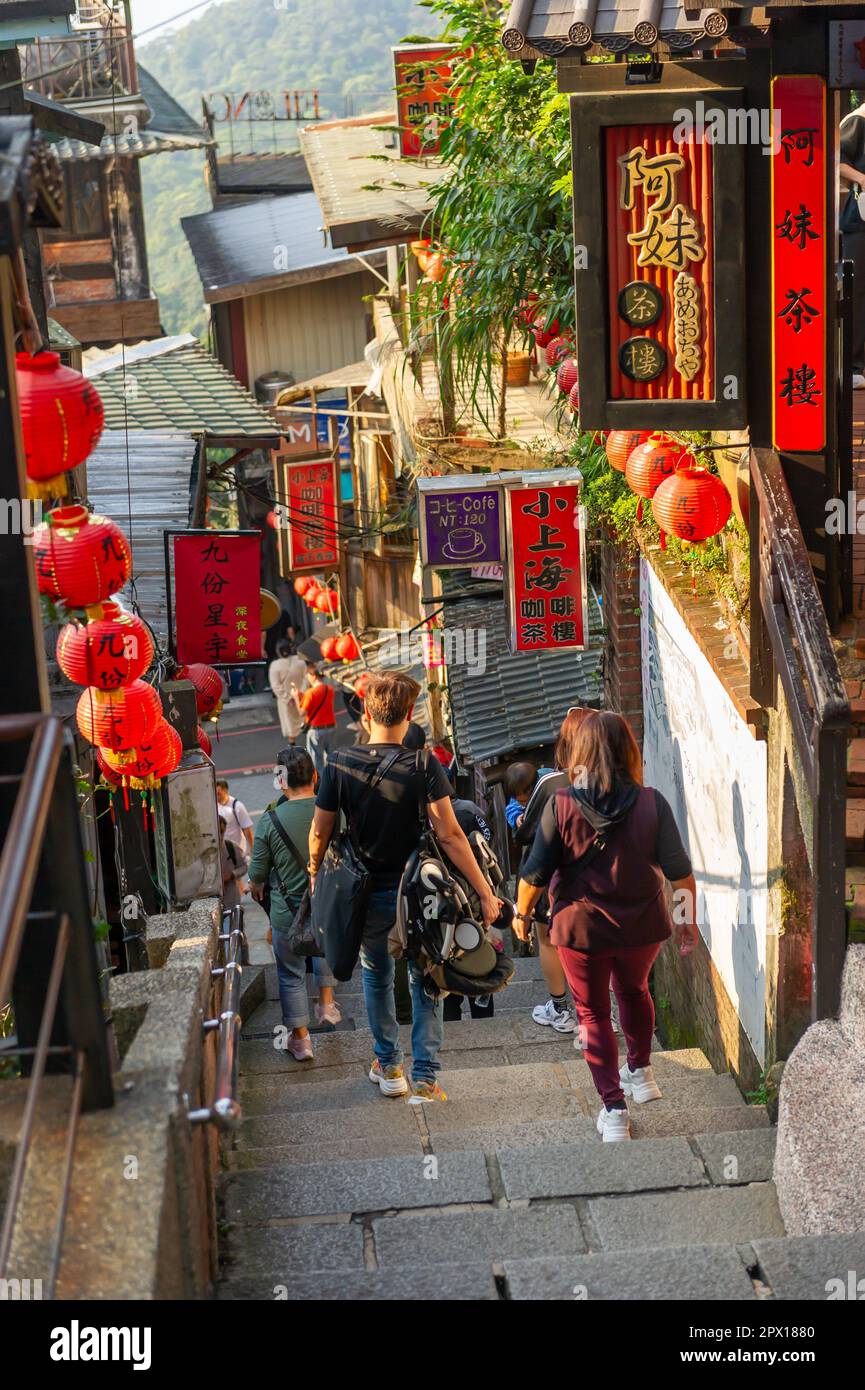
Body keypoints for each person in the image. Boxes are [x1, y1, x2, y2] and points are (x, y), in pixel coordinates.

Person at [309, 671, 502, 1103]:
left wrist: (312, 873)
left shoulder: (338, 763)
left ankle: (388, 1064)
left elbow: (320, 833)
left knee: (377, 974)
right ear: (409, 713)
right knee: (427, 978)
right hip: (420, 895)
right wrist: (485, 893)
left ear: (365, 713)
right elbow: (451, 834)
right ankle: (426, 1077)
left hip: (366, 895)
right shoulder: (422, 764)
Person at [514, 710, 698, 1143]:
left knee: (593, 1013)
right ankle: (642, 1073)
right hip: (643, 925)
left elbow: (534, 875)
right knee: (635, 991)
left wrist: (522, 916)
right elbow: (680, 873)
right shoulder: (652, 802)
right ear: (627, 751)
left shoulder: (561, 805)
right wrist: (687, 922)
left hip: (582, 930)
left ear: (582, 753)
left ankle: (614, 1112)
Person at [248, 747, 341, 1062]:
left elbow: (257, 875)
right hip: (329, 905)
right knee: (324, 946)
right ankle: (326, 1003)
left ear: (280, 781)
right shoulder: (332, 812)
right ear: (315, 777)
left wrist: (258, 886)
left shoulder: (270, 820)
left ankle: (301, 1041)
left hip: (287, 913)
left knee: (289, 974)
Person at [510, 709, 595, 1033]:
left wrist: (522, 910)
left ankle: (561, 1010)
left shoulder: (552, 782)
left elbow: (526, 833)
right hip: (603, 882)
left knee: (549, 941)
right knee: (596, 946)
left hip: (556, 880)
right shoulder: (616, 778)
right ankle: (601, 1012)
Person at [442, 794, 497, 1022]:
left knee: (445, 960)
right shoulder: (470, 809)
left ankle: (450, 1015)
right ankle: (483, 1016)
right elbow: (487, 837)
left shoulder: (430, 814)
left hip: (442, 898)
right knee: (480, 958)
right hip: (476, 893)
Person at [840, 102, 865, 389]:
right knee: (856, 292)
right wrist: (861, 178)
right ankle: (854, 365)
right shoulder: (859, 120)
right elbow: (836, 157)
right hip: (860, 220)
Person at [292, 664, 336, 777]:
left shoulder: (310, 693)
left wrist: (296, 698)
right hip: (330, 727)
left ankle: (321, 785)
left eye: (307, 676)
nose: (307, 678)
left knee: (317, 761)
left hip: (316, 730)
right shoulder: (329, 689)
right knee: (331, 757)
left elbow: (302, 712)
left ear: (313, 675)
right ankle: (334, 779)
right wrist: (302, 695)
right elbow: (320, 702)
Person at [269, 639, 308, 742]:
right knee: (307, 722)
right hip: (302, 699)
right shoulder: (300, 660)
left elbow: (276, 686)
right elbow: (306, 678)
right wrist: (301, 695)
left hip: (286, 703)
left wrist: (288, 698)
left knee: (290, 728)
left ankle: (293, 749)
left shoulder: (275, 665)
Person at [504, 760, 553, 830]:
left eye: (524, 801)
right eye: (519, 801)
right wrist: (517, 817)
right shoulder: (517, 795)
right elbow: (511, 809)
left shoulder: (548, 780)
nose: (524, 804)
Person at [216, 779, 254, 859]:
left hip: (237, 851)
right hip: (222, 852)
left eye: (218, 794)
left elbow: (247, 829)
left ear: (225, 790)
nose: (216, 796)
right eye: (215, 794)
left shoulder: (237, 806)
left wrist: (252, 849)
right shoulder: (215, 806)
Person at [218, 816, 247, 909]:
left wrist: (232, 875)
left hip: (231, 900)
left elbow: (244, 867)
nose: (219, 835)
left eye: (222, 831)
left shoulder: (231, 847)